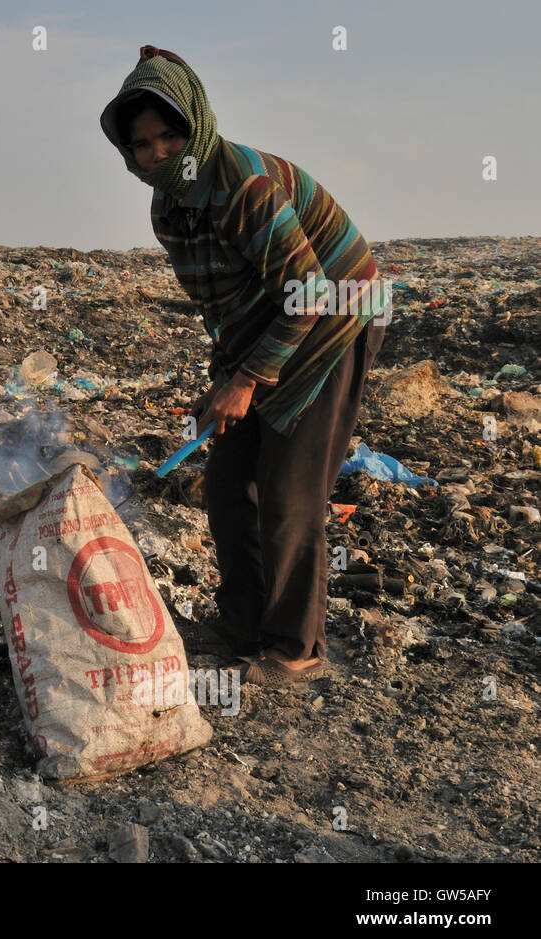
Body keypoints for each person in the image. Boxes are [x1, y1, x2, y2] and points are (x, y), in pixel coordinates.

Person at [99, 46, 389, 685]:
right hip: (269, 319)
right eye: (141, 144)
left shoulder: (246, 187)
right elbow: (221, 299)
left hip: (337, 311)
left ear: (196, 125)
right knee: (228, 483)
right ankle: (241, 624)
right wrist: (223, 380)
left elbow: (310, 293)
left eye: (169, 137)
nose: (156, 154)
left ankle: (296, 647)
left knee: (289, 488)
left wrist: (249, 379)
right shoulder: (168, 207)